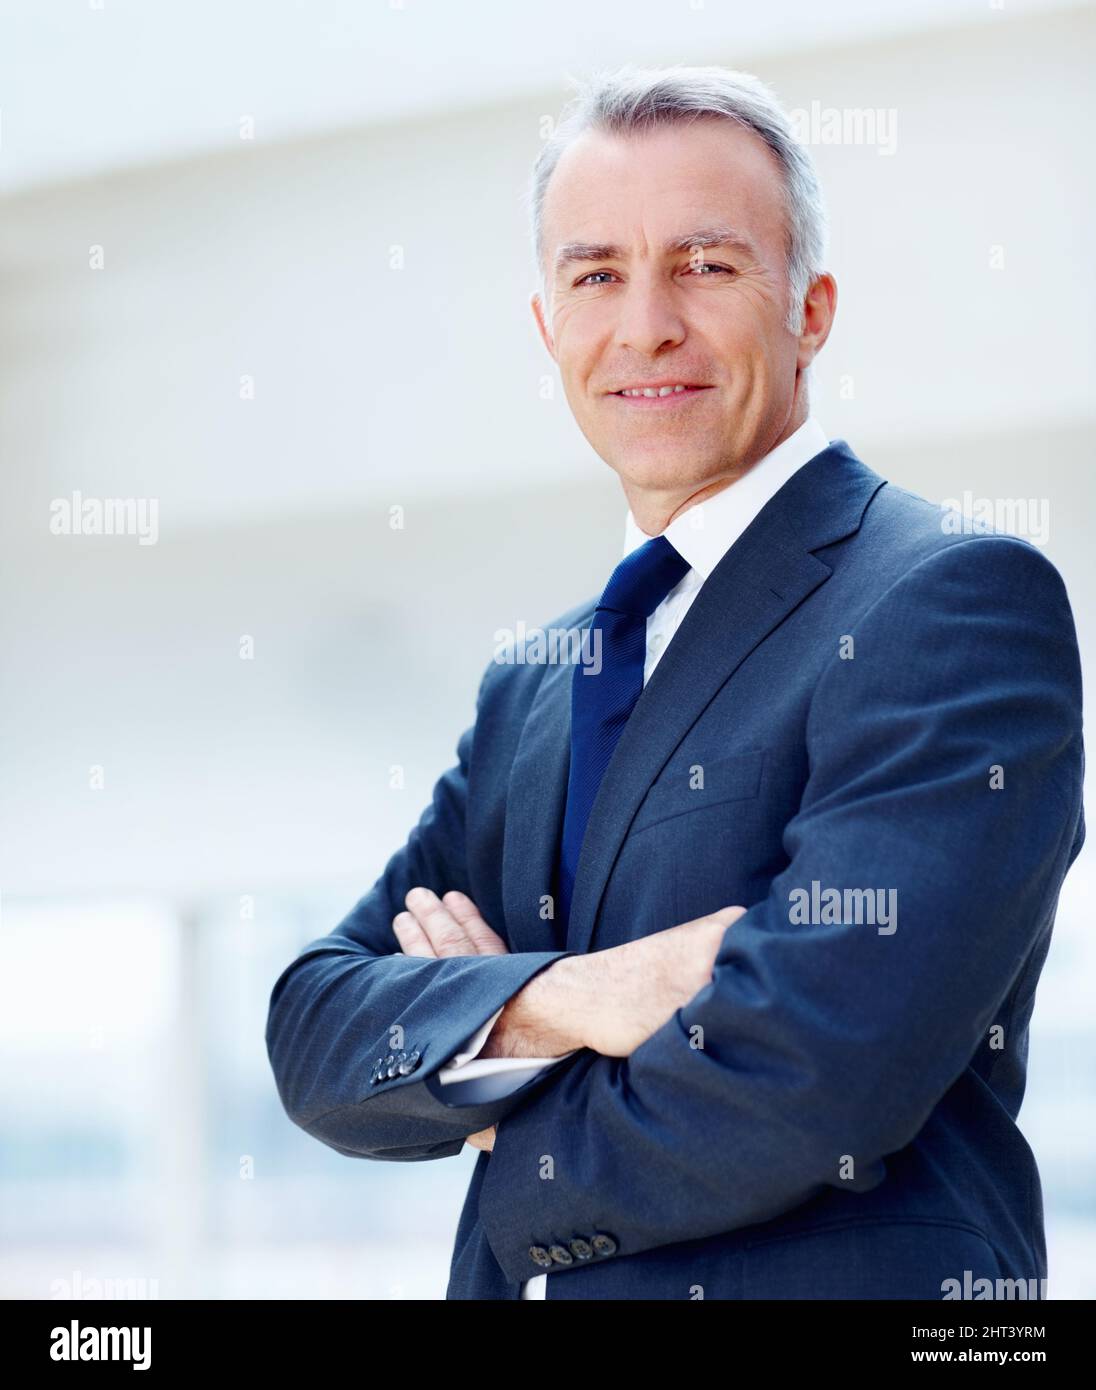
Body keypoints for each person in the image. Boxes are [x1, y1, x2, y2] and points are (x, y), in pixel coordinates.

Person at [265, 65, 1085, 1300]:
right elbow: (319, 1028)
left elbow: (820, 1069)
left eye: (704, 264)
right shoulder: (536, 687)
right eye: (595, 273)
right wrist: (575, 996)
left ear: (809, 309)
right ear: (549, 328)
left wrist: (494, 1108)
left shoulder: (950, 601)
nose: (645, 323)